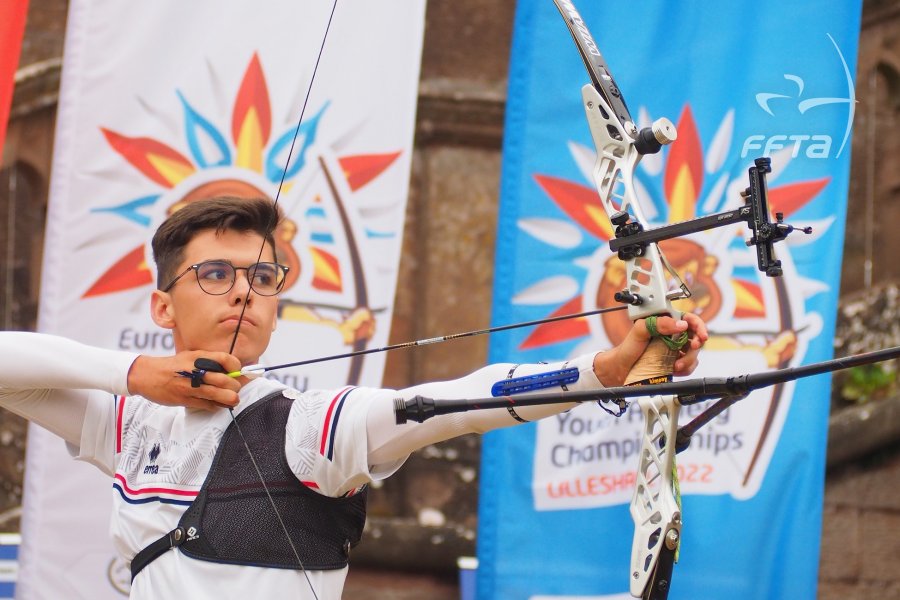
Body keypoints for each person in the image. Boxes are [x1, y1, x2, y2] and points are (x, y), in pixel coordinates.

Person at [0, 196, 708, 599]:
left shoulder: (310, 430)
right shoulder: (122, 420)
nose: (245, 290)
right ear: (162, 306)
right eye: (215, 273)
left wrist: (604, 370)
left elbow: (458, 397)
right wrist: (133, 375)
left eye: (264, 276)